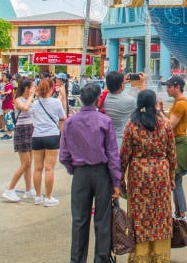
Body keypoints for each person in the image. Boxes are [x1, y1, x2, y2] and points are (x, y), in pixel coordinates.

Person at [59, 83, 120, 263]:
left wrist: (74, 169)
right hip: (101, 173)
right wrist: (116, 181)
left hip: (80, 174)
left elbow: (64, 154)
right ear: (97, 99)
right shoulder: (105, 121)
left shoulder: (70, 122)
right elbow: (112, 154)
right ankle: (101, 258)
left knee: (79, 220)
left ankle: (77, 259)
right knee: (102, 220)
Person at [119, 89, 176, 263]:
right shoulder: (165, 125)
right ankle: (159, 256)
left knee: (140, 216)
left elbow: (124, 155)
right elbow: (172, 154)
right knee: (160, 216)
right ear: (154, 103)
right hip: (160, 174)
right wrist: (171, 176)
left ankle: (140, 256)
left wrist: (120, 179)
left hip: (139, 176)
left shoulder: (132, 125)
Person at [30, 77, 66, 206]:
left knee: (37, 168)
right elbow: (63, 117)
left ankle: (38, 196)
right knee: (49, 168)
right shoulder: (56, 102)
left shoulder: (35, 103)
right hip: (52, 135)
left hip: (37, 136)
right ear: (51, 89)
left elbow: (32, 117)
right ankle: (48, 197)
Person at [2, 78, 37, 202]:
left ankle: (29, 189)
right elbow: (25, 108)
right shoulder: (18, 100)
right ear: (27, 88)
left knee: (29, 164)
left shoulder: (31, 99)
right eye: (33, 86)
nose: (34, 88)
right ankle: (10, 189)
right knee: (25, 163)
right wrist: (31, 97)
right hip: (22, 130)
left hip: (31, 129)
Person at [164, 75, 187, 220]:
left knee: (176, 179)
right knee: (175, 179)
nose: (167, 89)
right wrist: (162, 112)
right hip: (178, 142)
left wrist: (156, 111)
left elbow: (169, 125)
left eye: (169, 87)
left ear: (177, 87)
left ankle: (181, 214)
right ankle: (179, 212)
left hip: (178, 143)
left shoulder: (180, 104)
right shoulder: (179, 102)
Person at [102, 71, 144, 147]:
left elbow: (108, 88)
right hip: (119, 141)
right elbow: (144, 106)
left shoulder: (102, 98)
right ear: (121, 85)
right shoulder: (129, 101)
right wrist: (142, 83)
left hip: (104, 140)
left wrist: (121, 80)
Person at [0, 73, 15, 140]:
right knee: (7, 118)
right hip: (5, 103)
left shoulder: (9, 85)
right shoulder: (6, 85)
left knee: (8, 119)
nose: (3, 78)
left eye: (4, 77)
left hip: (8, 104)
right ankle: (8, 133)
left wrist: (4, 93)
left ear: (8, 78)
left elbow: (9, 91)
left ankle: (9, 134)